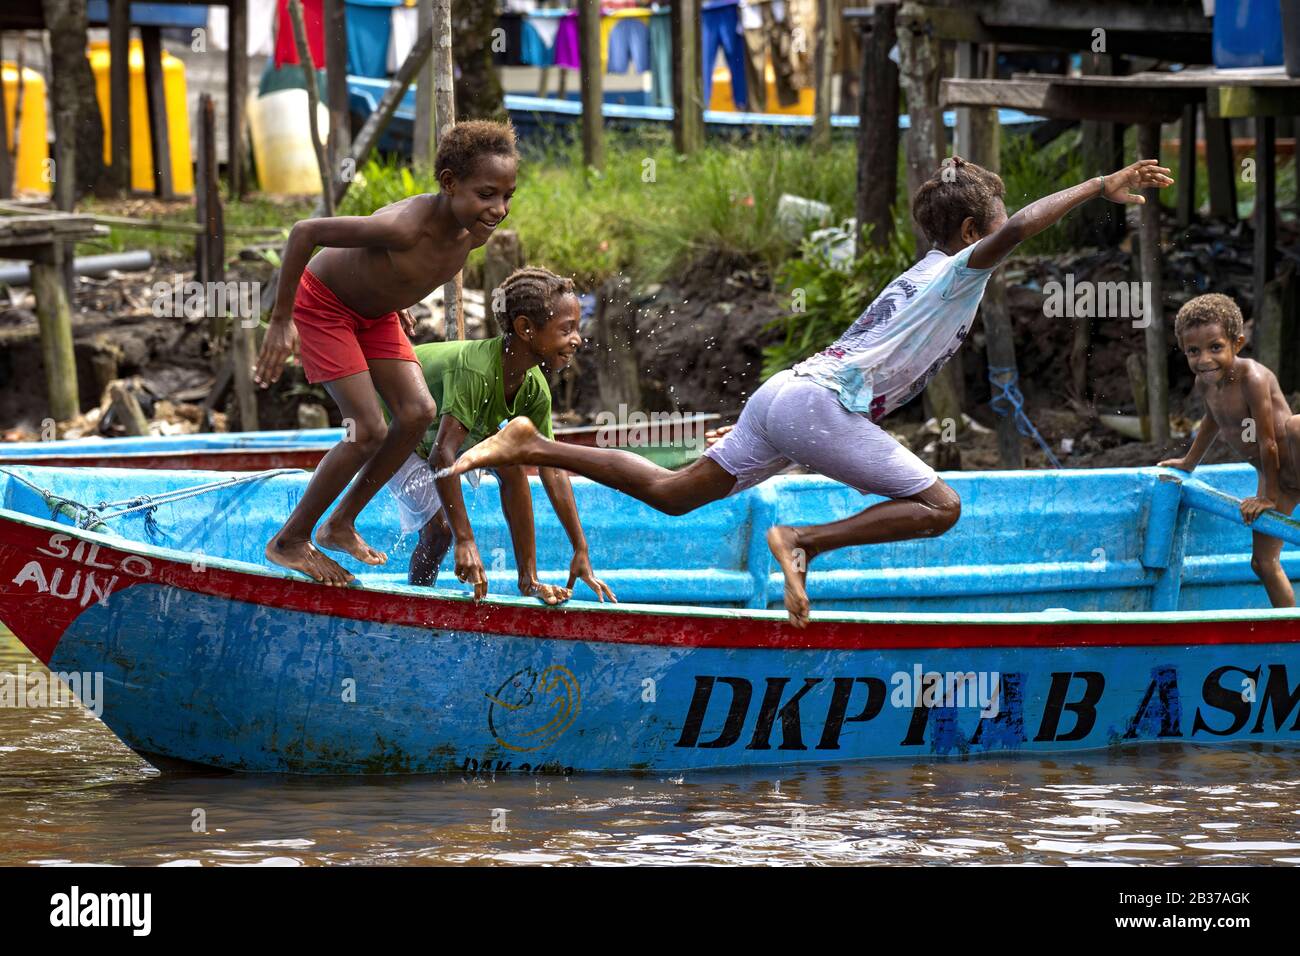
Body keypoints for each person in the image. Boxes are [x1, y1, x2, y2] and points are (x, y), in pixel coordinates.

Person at [437, 157, 1174, 626]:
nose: (1003, 232)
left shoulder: (918, 273)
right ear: (975, 230)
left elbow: (995, 219)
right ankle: (802, 543)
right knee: (941, 507)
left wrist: (965, 172)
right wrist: (1100, 186)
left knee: (671, 491)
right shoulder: (958, 270)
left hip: (788, 395)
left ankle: (535, 445)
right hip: (816, 405)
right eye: (994, 223)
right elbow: (1020, 226)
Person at [251, 120, 519, 586]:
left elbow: (410, 269)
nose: (498, 209)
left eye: (507, 196)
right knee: (368, 429)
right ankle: (290, 540)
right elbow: (304, 231)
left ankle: (339, 524)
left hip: (378, 314)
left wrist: (398, 301)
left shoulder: (474, 229)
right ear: (450, 183)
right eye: (487, 194)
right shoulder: (404, 226)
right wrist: (280, 319)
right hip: (325, 303)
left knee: (418, 411)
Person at [404, 267, 616, 607]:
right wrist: (466, 539)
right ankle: (414, 606)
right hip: (401, 429)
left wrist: (580, 547)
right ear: (525, 328)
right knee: (441, 531)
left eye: (577, 329)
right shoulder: (476, 370)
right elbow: (442, 455)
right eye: (566, 329)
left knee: (514, 466)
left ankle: (528, 581)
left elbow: (553, 466)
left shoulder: (534, 387)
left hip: (445, 433)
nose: (577, 339)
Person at [1159, 293, 1300, 607]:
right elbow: (1212, 420)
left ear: (1237, 343)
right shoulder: (1205, 383)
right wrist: (1188, 462)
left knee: (1296, 426)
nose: (1204, 360)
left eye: (1215, 348)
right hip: (1274, 475)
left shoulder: (1253, 378)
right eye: (1193, 351)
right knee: (1262, 564)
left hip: (1292, 462)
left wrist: (1269, 498)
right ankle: (1290, 630)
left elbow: (1268, 442)